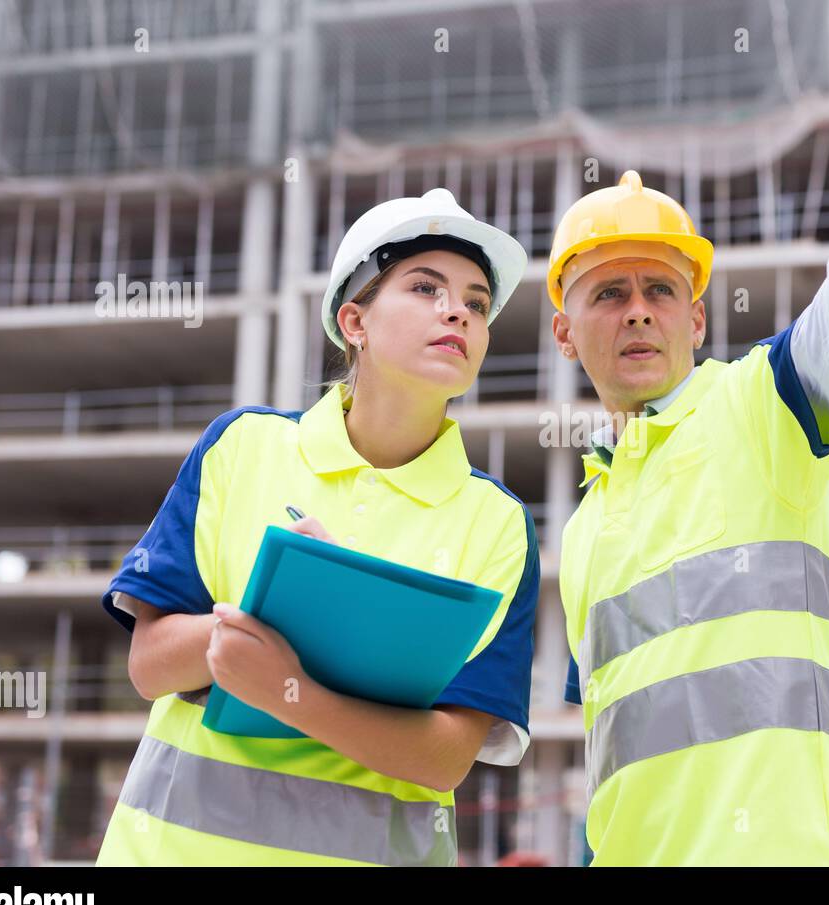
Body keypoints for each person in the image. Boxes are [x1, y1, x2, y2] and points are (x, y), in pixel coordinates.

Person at [550, 76, 829, 865]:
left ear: (696, 318)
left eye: (661, 288)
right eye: (609, 292)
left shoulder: (759, 407)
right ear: (563, 331)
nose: (638, 310)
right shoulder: (584, 528)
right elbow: (607, 762)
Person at [96, 188, 538, 866]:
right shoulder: (240, 447)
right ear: (353, 321)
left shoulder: (498, 523)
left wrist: (285, 690)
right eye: (426, 287)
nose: (458, 311)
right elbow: (149, 664)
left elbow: (448, 757)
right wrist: (249, 621)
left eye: (477, 304)